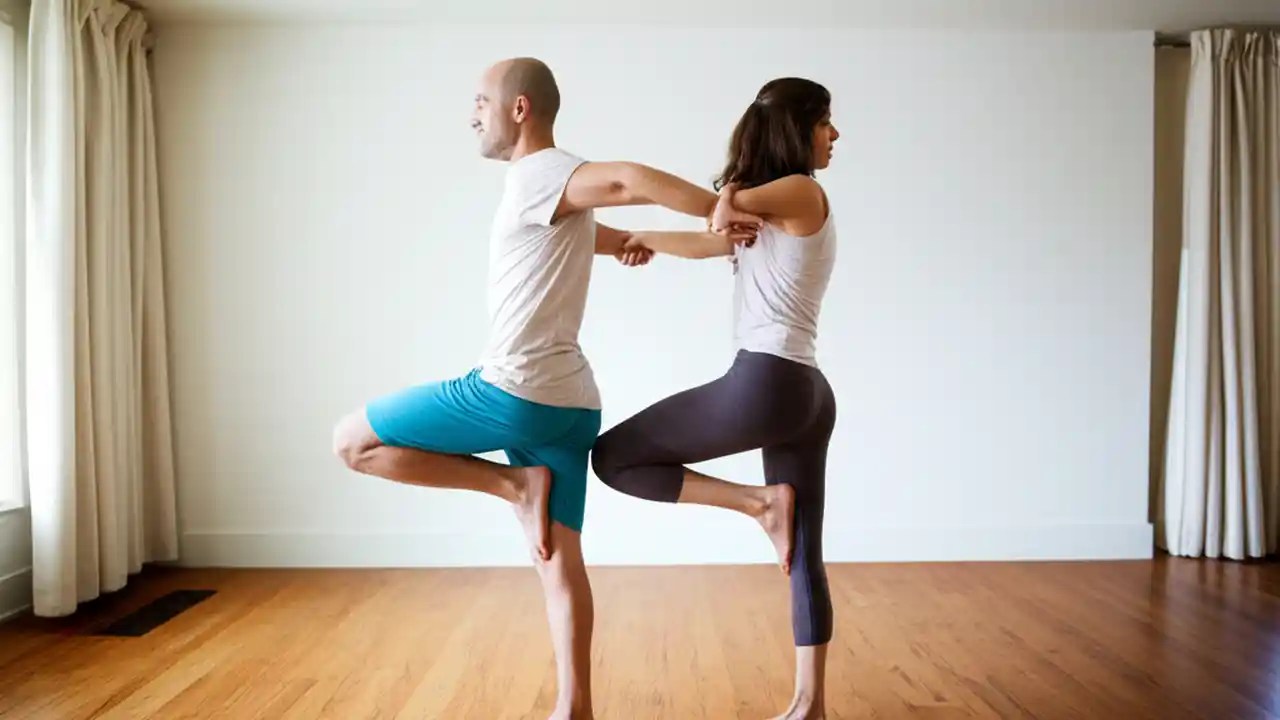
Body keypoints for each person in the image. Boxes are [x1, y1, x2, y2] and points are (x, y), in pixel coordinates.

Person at [331, 57, 758, 720]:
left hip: (511, 391)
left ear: (520, 108)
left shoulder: (540, 173)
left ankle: (513, 488)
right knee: (558, 563)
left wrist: (717, 210)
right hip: (571, 407)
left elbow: (625, 179)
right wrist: (683, 243)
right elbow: (616, 232)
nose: (472, 113)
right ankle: (574, 707)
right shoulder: (554, 195)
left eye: (480, 101)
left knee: (352, 442)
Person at [592, 77, 840, 720]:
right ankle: (809, 705)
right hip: (807, 394)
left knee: (614, 458)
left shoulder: (803, 193)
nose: (834, 136)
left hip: (767, 384)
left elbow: (728, 205)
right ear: (795, 129)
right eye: (825, 124)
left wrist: (725, 197)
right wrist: (639, 240)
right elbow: (710, 238)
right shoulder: (769, 214)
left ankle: (758, 504)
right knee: (804, 550)